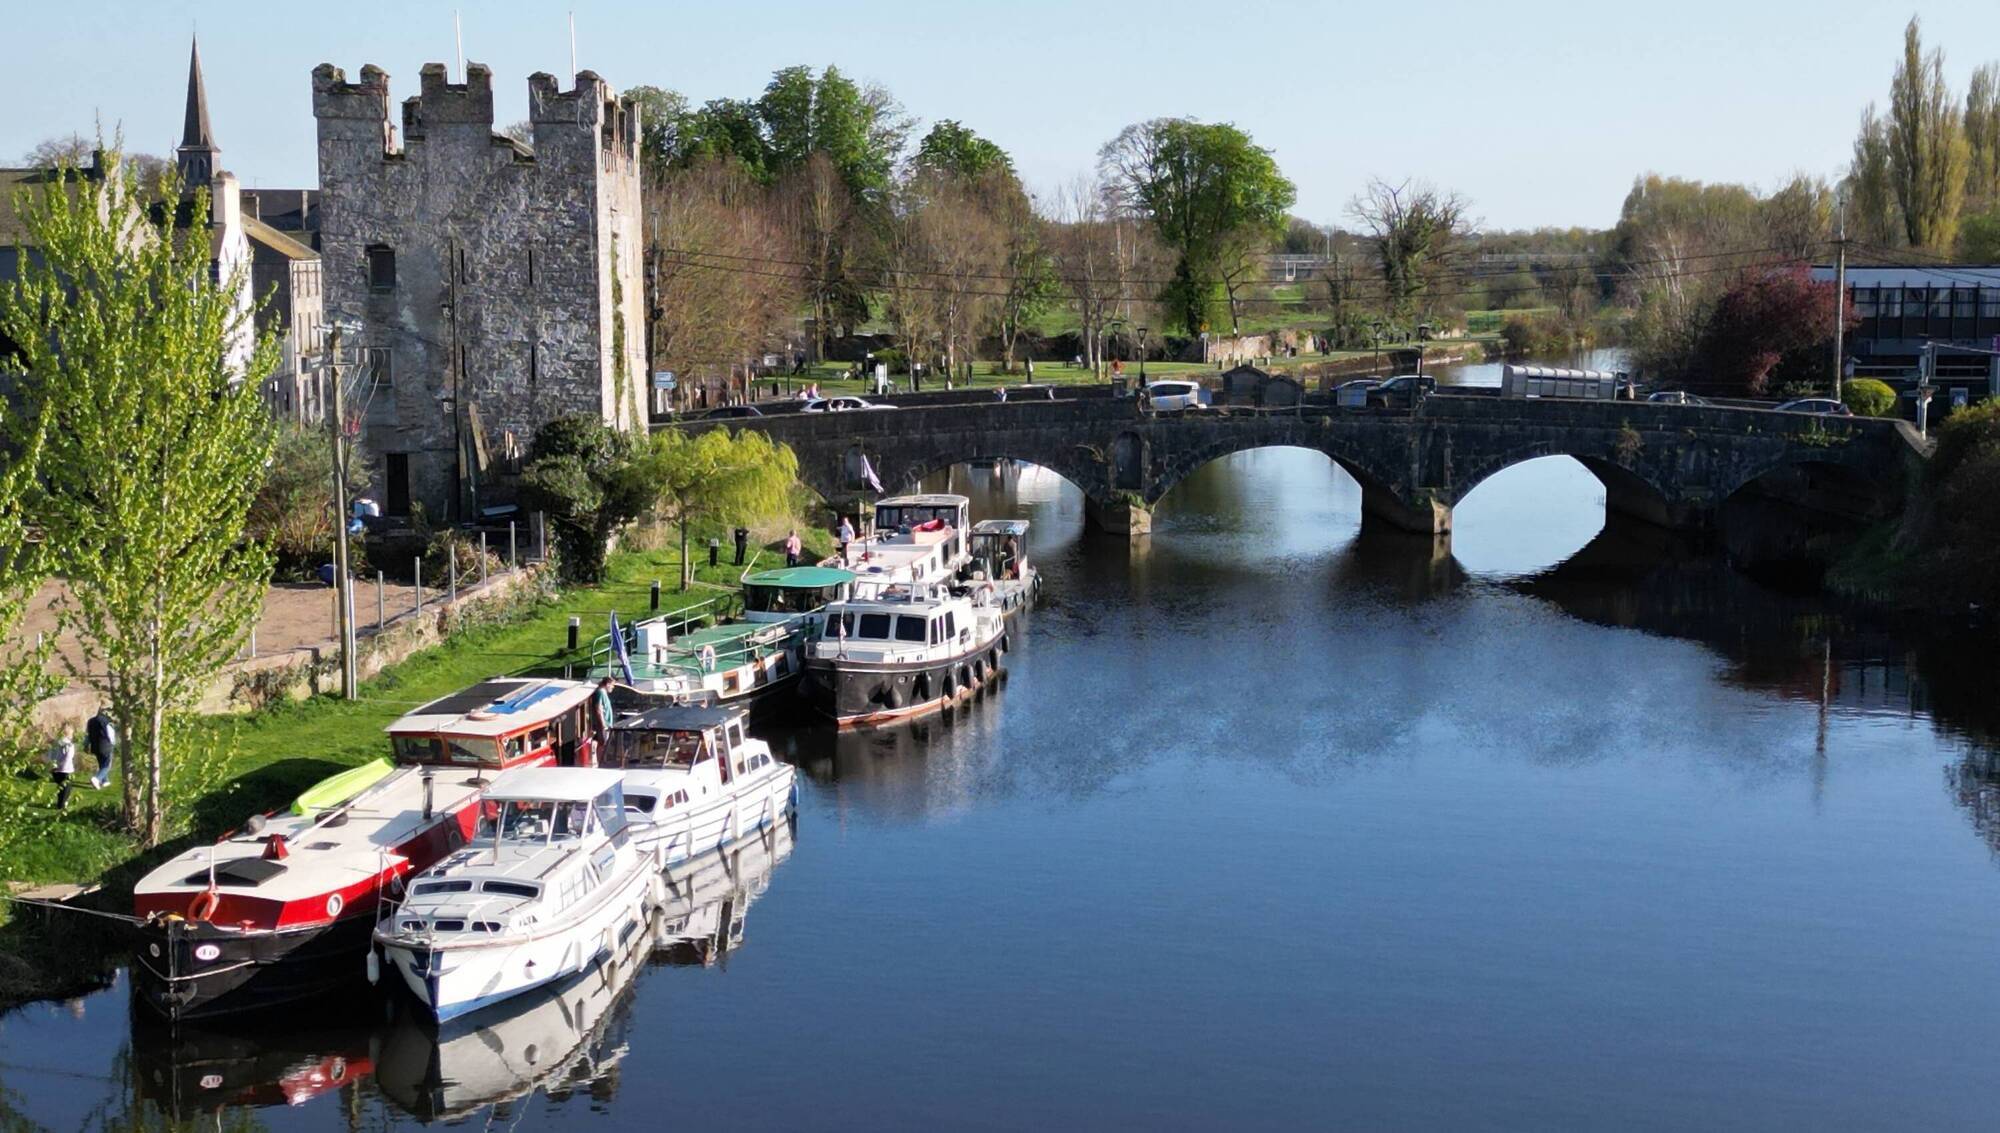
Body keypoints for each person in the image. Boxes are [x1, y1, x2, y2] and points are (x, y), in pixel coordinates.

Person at [84, 707, 116, 790]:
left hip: (95, 746)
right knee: (107, 765)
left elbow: (87, 734)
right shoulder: (106, 722)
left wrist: (86, 745)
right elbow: (110, 734)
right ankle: (97, 778)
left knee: (102, 763)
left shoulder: (90, 721)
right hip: (105, 745)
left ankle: (105, 781)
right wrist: (112, 743)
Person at [48, 731, 77, 811]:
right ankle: (62, 804)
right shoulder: (69, 745)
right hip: (66, 769)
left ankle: (61, 802)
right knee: (66, 787)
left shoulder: (54, 744)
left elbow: (50, 755)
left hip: (55, 769)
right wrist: (62, 765)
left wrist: (52, 765)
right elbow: (68, 757)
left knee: (60, 787)